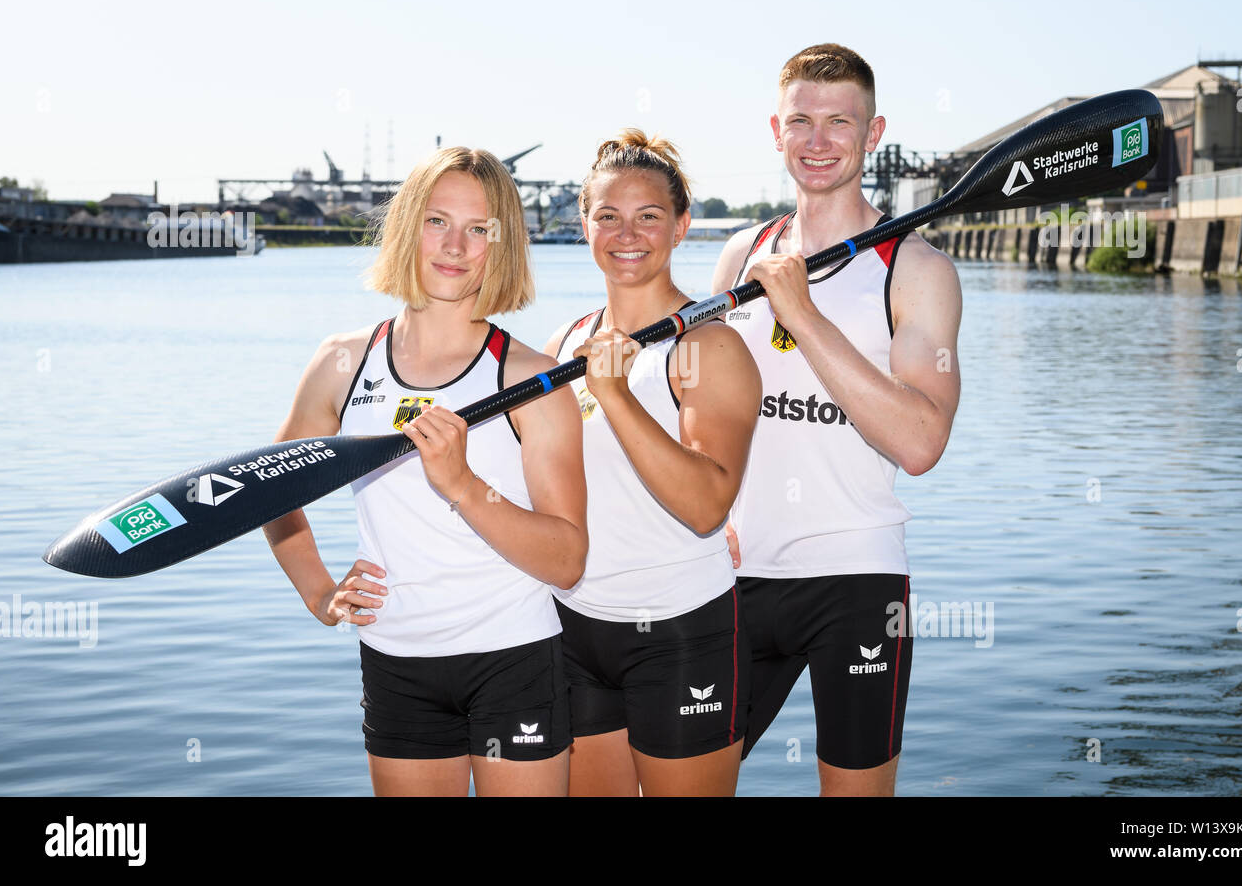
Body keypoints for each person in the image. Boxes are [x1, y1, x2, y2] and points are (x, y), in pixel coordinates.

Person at [265, 146, 587, 796]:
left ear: (502, 247)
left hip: (514, 660)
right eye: (438, 221)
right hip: (396, 661)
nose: (456, 246)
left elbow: (567, 559)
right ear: (408, 225)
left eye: (479, 229)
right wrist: (318, 592)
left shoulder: (531, 382)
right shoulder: (341, 362)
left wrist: (463, 486)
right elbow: (273, 490)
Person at [712, 43, 963, 796]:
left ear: (874, 132)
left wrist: (803, 315)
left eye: (839, 122)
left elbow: (921, 443)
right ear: (775, 130)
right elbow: (704, 412)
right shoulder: (739, 255)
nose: (818, 141)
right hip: (733, 573)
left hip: (856, 579)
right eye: (801, 122)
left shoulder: (915, 269)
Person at [544, 129, 761, 796]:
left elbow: (705, 506)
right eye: (607, 215)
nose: (625, 233)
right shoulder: (565, 344)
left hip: (680, 633)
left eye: (648, 216)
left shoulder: (708, 347)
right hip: (573, 627)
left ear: (682, 227)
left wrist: (613, 395)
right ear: (585, 225)